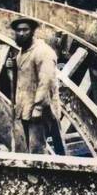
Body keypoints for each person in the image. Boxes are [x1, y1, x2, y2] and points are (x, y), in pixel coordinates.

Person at [9, 17, 61, 155]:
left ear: (33, 32)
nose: (21, 33)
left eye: (25, 30)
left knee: (37, 147)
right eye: (18, 30)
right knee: (30, 145)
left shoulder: (43, 52)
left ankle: (39, 175)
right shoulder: (22, 52)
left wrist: (38, 107)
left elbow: (46, 80)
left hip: (40, 110)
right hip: (26, 109)